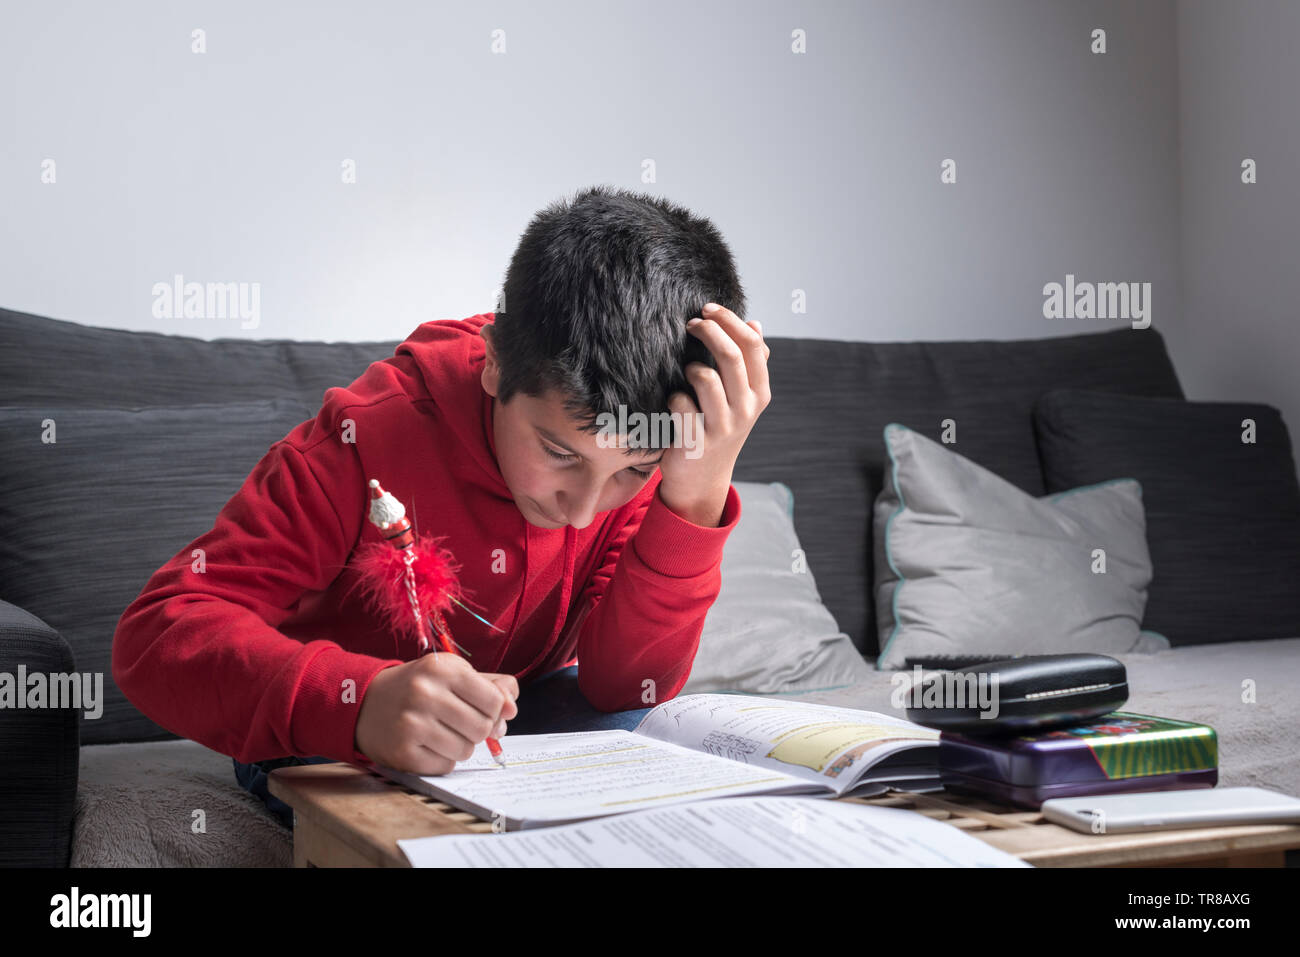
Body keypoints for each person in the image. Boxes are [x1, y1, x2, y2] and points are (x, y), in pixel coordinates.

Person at [111, 184, 772, 825]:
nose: (583, 511)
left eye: (633, 470)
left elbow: (619, 686)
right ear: (493, 366)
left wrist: (693, 494)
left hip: (513, 712)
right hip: (333, 730)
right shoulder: (365, 434)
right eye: (559, 452)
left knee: (655, 738)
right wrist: (357, 702)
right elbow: (156, 634)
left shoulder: (661, 438)